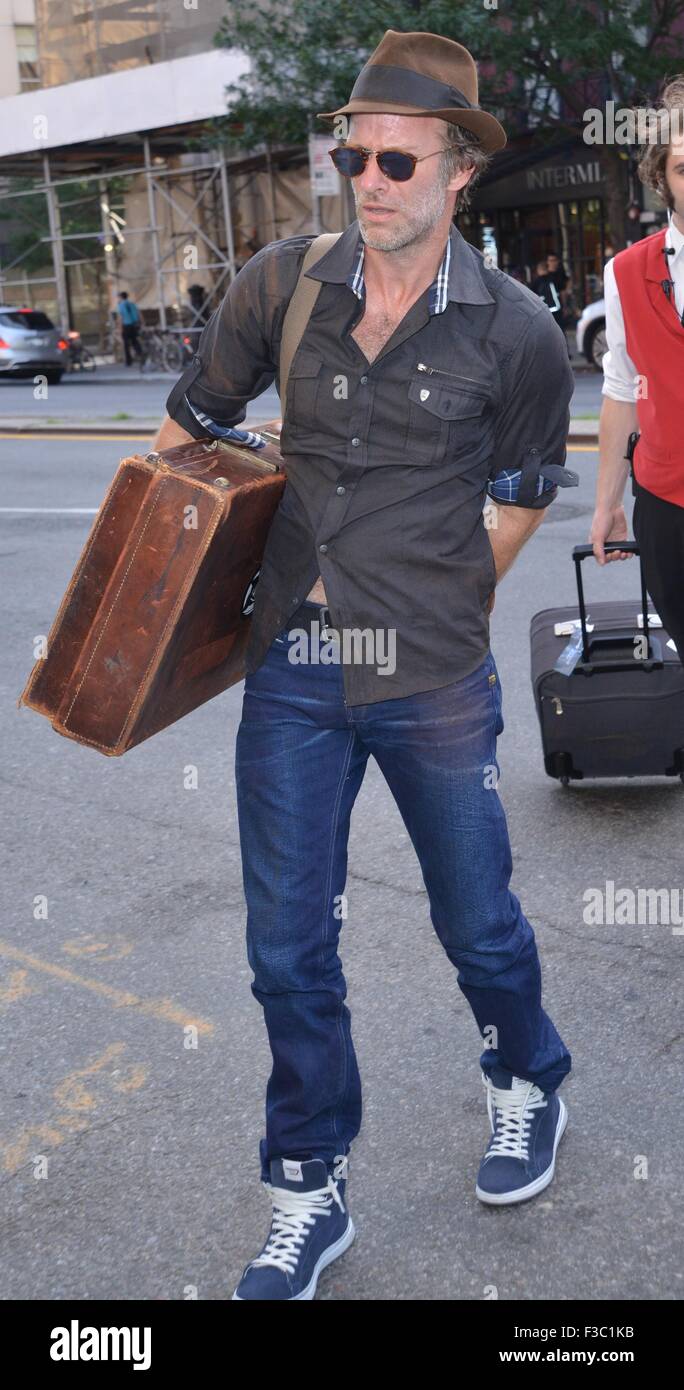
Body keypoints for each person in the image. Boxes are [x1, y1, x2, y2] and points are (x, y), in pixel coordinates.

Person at [153, 29, 577, 1301]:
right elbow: (187, 430)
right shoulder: (281, 284)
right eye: (354, 153)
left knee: (479, 921)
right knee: (287, 947)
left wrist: (445, 610)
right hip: (294, 663)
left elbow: (519, 497)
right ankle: (307, 1183)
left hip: (434, 673)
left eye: (399, 157)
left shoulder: (519, 334)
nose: (370, 176)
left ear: (458, 174)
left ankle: (524, 1078)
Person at [590, 75, 684, 668]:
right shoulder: (625, 272)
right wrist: (607, 501)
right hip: (665, 505)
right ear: (662, 178)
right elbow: (622, 389)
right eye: (683, 166)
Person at [116, 290, 144, 366]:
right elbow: (139, 314)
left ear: (121, 297)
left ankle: (129, 361)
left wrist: (120, 329)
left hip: (126, 326)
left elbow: (120, 318)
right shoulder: (132, 304)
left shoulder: (120, 305)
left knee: (126, 344)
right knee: (135, 342)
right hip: (134, 325)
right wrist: (142, 323)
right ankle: (142, 357)